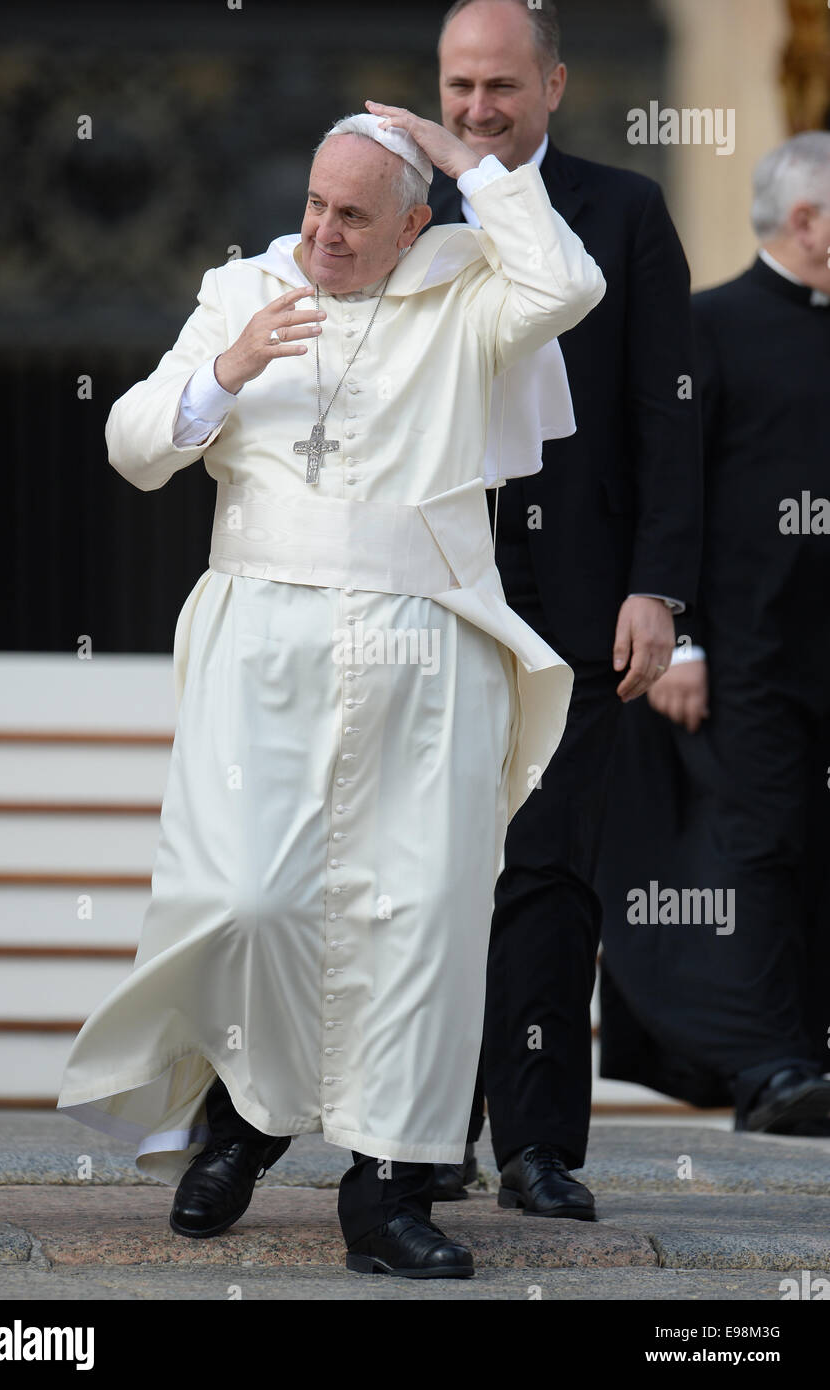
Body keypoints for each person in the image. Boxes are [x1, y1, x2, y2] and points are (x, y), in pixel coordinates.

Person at [56, 102, 605, 1278]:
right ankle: (242, 1123)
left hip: (427, 647)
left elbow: (567, 284)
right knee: (246, 899)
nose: (324, 234)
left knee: (415, 919)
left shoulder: (467, 293)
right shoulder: (241, 289)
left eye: (355, 216)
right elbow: (134, 441)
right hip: (263, 642)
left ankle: (387, 1188)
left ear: (415, 224)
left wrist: (473, 163)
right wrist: (228, 367)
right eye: (314, 206)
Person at [427, 0, 702, 1217]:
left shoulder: (627, 213)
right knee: (425, 872)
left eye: (500, 86)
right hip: (427, 589)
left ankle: (537, 1147)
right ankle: (423, 1136)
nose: (477, 110)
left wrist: (658, 589)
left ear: (553, 86)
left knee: (546, 870)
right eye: (457, 87)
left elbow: (668, 418)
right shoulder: (404, 198)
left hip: (579, 599)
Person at [597, 132, 830, 1136]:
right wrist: (677, 641)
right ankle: (771, 1066)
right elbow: (662, 492)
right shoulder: (708, 328)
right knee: (760, 850)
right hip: (743, 658)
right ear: (806, 221)